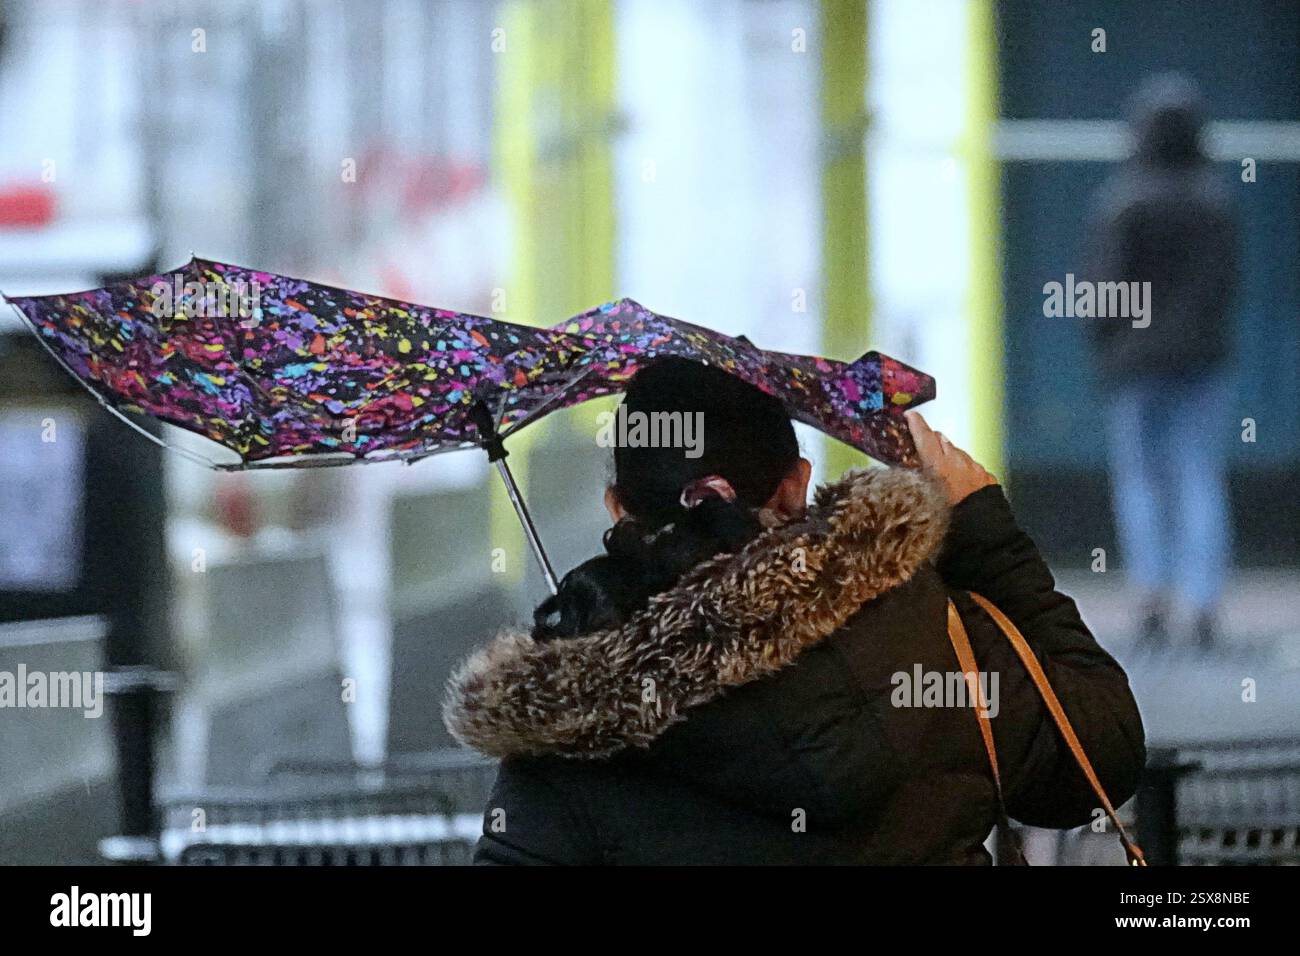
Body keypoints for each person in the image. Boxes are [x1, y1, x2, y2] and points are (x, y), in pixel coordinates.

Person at [444, 358, 1145, 864]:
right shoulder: (928, 636)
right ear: (797, 487)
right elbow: (1099, 755)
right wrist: (984, 533)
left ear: (618, 508)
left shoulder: (566, 716)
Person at [1085, 73, 1238, 652]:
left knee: (1141, 480)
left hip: (1135, 363)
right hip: (1201, 362)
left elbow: (1105, 287)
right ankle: (1202, 603)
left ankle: (1151, 597)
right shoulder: (1216, 202)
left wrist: (1104, 345)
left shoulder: (1123, 201)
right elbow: (1226, 289)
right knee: (1199, 476)